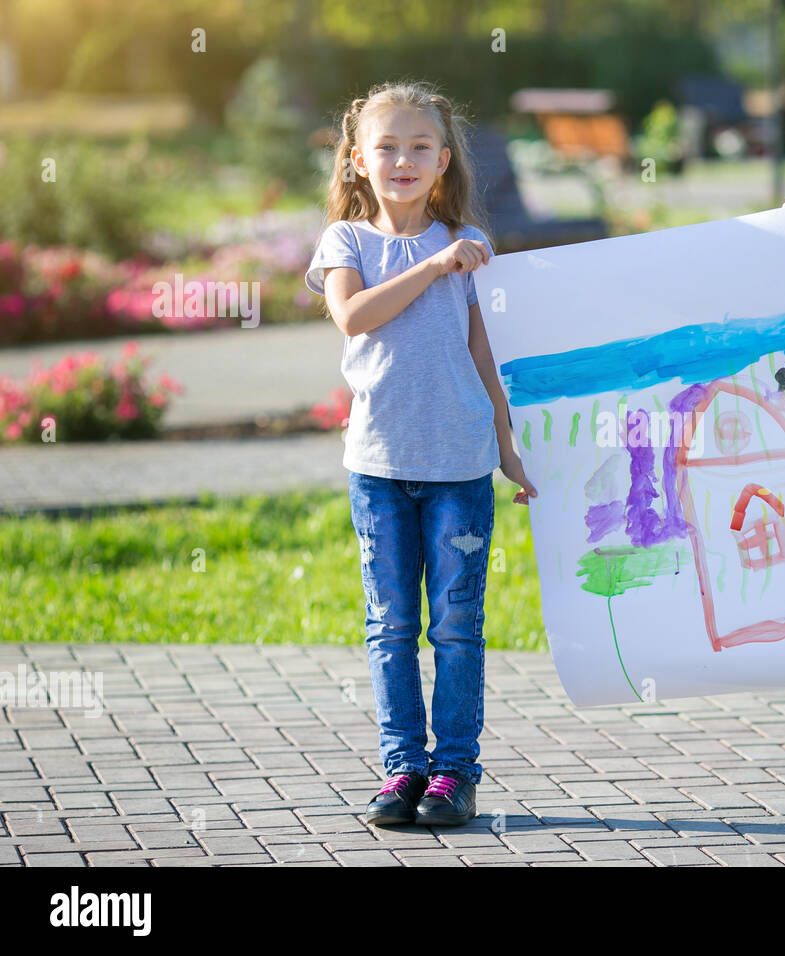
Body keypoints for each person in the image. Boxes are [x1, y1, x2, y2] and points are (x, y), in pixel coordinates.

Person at [304, 81, 536, 828]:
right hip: (378, 468)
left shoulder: (466, 244)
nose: (402, 159)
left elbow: (482, 350)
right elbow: (353, 315)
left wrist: (506, 445)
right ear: (356, 162)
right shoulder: (348, 243)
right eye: (387, 146)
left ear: (442, 161)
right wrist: (434, 268)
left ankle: (454, 775)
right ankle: (403, 769)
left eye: (419, 147)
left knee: (457, 628)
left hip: (459, 469)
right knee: (392, 625)